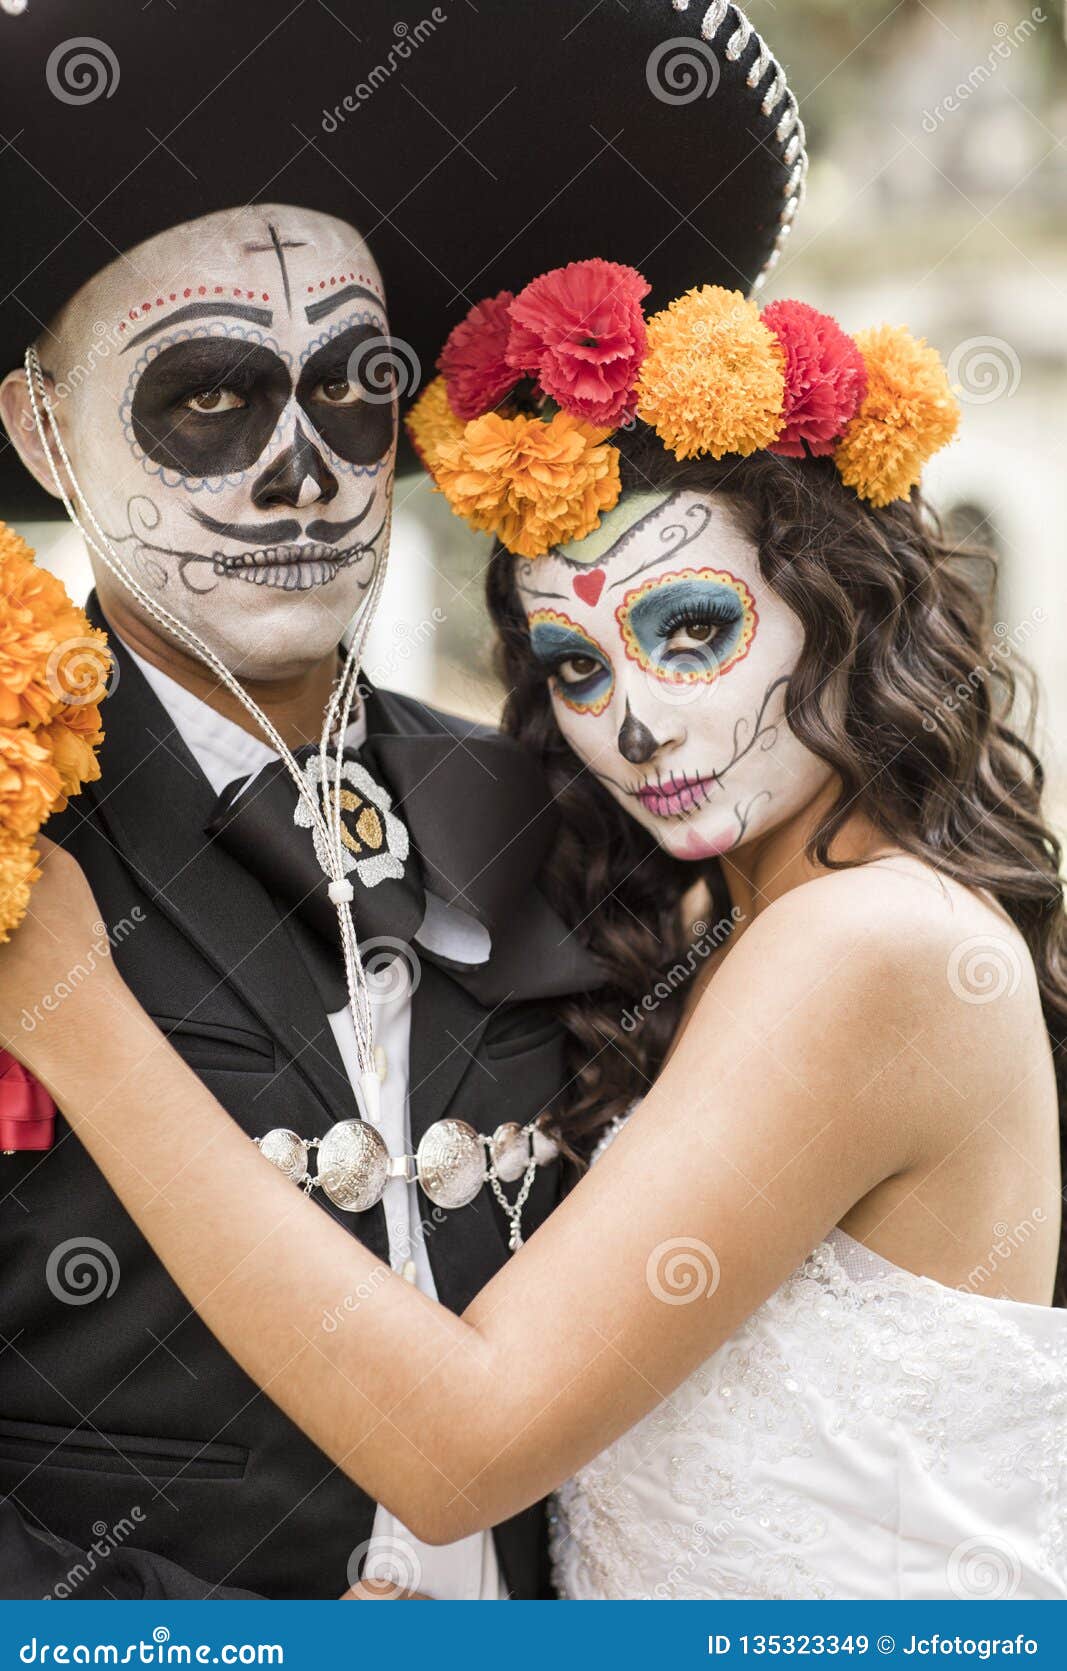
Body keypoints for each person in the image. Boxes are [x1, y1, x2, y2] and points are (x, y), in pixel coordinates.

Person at [5, 257, 1065, 1602]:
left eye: (692, 630)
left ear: (841, 599)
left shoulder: (860, 948)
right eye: (577, 664)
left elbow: (465, 1445)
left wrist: (76, 1013)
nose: (634, 719)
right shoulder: (697, 908)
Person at [0, 0, 808, 1602]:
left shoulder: (568, 807)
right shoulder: (19, 852)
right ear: (44, 431)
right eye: (213, 396)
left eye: (355, 386)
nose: (304, 470)